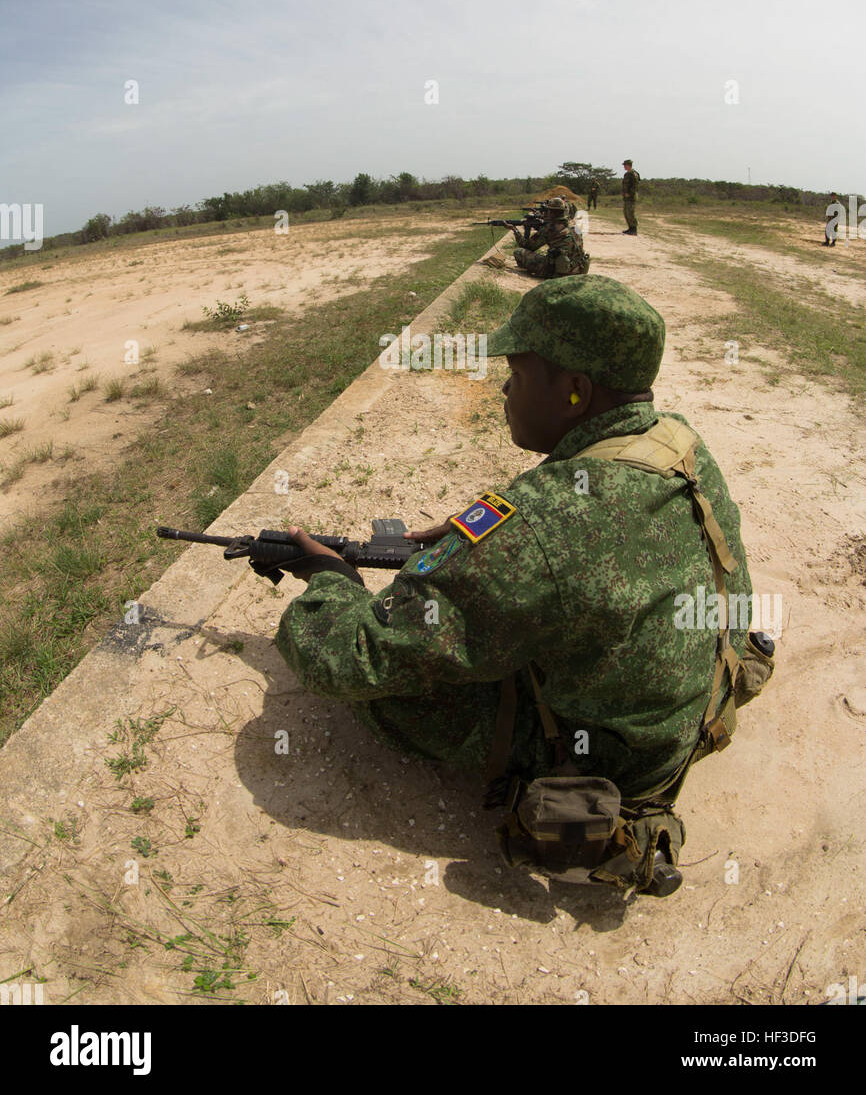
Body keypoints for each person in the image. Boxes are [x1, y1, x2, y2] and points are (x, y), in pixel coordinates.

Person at [275, 276, 768, 888]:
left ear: (575, 392)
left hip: (612, 758)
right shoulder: (675, 439)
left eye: (519, 371)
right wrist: (475, 540)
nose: (505, 387)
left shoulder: (545, 522)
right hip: (696, 706)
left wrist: (332, 578)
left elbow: (346, 659)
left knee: (393, 695)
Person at [510, 198, 589, 277]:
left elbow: (527, 246)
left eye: (548, 211)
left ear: (551, 212)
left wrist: (515, 230)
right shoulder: (574, 225)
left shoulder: (549, 229)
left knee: (518, 252)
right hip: (579, 269)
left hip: (560, 272)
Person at [622, 160, 639, 234]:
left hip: (631, 197)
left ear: (629, 165)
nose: (624, 166)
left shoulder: (633, 174)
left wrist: (630, 193)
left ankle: (634, 229)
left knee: (630, 212)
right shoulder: (627, 174)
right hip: (626, 197)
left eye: (625, 165)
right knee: (626, 212)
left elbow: (634, 186)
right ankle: (630, 228)